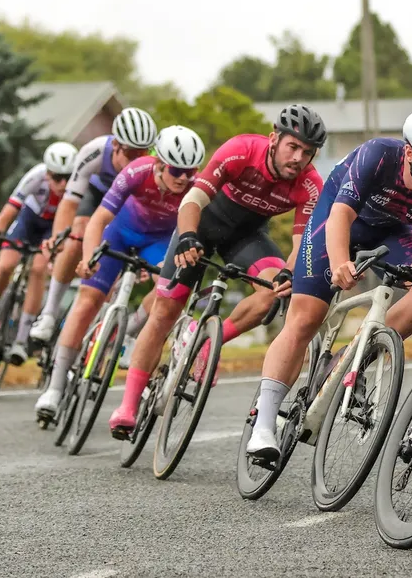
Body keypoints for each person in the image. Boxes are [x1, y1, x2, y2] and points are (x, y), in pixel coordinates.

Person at [245, 106, 412, 463]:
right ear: (410, 153)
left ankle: (348, 361)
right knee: (306, 318)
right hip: (337, 220)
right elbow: (341, 215)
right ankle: (264, 422)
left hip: (389, 230)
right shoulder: (379, 155)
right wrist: (339, 264)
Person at [106, 104, 326, 438]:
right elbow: (192, 201)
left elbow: (300, 243)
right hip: (202, 227)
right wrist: (188, 237)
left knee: (273, 293)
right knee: (165, 310)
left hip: (247, 238)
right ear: (273, 139)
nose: (298, 157)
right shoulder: (240, 151)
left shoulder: (310, 185)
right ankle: (128, 405)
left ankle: (211, 339)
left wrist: (288, 273)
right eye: (292, 147)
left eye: (307, 152)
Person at [33, 126, 206, 420]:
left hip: (160, 242)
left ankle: (131, 330)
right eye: (176, 170)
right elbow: (99, 219)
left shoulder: (195, 187)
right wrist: (88, 258)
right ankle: (55, 386)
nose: (183, 178)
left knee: (169, 295)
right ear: (160, 163)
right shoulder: (137, 171)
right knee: (88, 300)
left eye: (190, 172)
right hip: (121, 232)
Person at [28, 107, 158, 345]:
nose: (138, 160)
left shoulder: (150, 166)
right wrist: (59, 239)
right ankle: (48, 313)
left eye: (144, 152)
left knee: (116, 245)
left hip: (127, 201)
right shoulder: (94, 151)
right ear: (116, 145)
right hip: (96, 193)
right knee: (80, 229)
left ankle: (101, 323)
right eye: (131, 153)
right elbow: (69, 203)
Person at [0, 142, 79, 364]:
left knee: (38, 270)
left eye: (68, 177)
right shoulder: (35, 177)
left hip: (54, 227)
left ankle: (21, 340)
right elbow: (7, 213)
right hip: (29, 221)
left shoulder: (78, 185)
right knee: (5, 265)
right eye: (57, 177)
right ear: (47, 173)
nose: (63, 183)